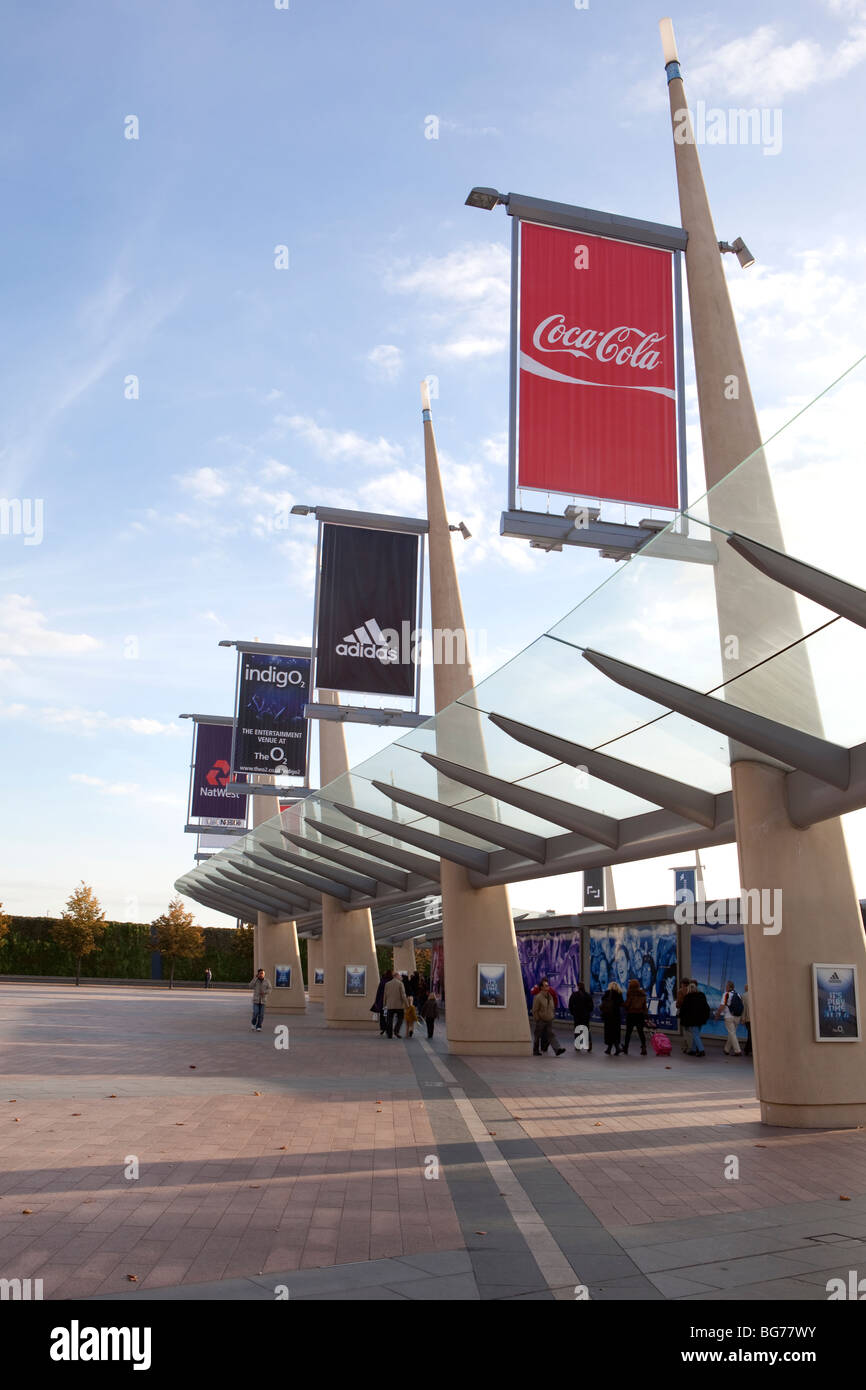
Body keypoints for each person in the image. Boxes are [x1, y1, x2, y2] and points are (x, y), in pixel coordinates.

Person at [532, 979, 565, 1056]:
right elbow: (535, 1009)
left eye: (548, 985)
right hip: (541, 1020)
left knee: (551, 1034)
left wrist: (552, 1015)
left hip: (549, 1019)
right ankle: (535, 1050)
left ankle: (557, 1049)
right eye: (546, 985)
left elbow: (552, 1007)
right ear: (541, 987)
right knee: (537, 1035)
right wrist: (537, 1019)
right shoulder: (538, 997)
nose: (548, 987)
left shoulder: (550, 996)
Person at [679, 981, 710, 1055]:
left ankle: (701, 1050)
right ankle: (693, 1050)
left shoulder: (688, 997)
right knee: (696, 1034)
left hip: (692, 1020)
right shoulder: (702, 995)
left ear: (689, 989)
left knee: (695, 1035)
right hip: (701, 1019)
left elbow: (684, 1009)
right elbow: (706, 1007)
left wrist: (681, 1016)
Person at [716, 980, 743, 1055]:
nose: (725, 987)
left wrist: (717, 1015)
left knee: (732, 1033)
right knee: (732, 1033)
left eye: (726, 986)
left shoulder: (726, 994)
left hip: (729, 1016)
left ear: (728, 987)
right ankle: (726, 1049)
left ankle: (737, 1050)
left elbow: (722, 1006)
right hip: (737, 1016)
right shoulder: (738, 994)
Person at [623, 978, 648, 1055]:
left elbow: (627, 1005)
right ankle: (643, 1048)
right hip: (640, 1015)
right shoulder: (643, 994)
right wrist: (646, 1015)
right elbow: (644, 1006)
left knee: (628, 1033)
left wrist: (623, 1005)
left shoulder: (630, 993)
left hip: (631, 1015)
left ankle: (626, 1048)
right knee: (641, 1032)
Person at [568, 981, 594, 1052]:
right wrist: (587, 1012)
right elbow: (591, 1007)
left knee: (577, 1029)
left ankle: (578, 1045)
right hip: (585, 1016)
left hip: (577, 1015)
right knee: (586, 1029)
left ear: (578, 987)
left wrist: (573, 1013)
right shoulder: (588, 995)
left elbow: (570, 1005)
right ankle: (589, 1043)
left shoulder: (574, 995)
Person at [383, 970, 408, 1038]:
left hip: (390, 1005)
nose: (400, 977)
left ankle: (389, 1034)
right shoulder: (400, 984)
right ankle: (396, 1030)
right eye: (399, 976)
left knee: (389, 1020)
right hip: (399, 1005)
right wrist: (407, 1004)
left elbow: (385, 995)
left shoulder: (387, 984)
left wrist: (384, 1003)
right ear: (396, 976)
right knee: (400, 1018)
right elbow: (403, 995)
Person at [601, 981, 623, 1056]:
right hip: (616, 1016)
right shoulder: (619, 994)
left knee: (609, 1032)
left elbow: (602, 1000)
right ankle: (611, 1049)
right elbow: (621, 1003)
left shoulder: (607, 993)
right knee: (615, 1032)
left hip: (608, 1016)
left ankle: (615, 1048)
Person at [371, 969, 392, 1035]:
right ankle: (389, 1027)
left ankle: (383, 1027)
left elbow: (379, 992)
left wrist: (376, 1001)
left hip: (382, 1000)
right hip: (390, 1000)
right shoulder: (391, 981)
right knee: (390, 1015)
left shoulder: (382, 981)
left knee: (382, 1015)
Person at [675, 977, 691, 1052]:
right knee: (689, 1030)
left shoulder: (680, 991)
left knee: (685, 1031)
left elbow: (679, 1003)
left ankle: (687, 1046)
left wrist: (677, 1005)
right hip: (691, 1013)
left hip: (684, 1013)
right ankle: (687, 1045)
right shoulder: (691, 991)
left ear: (682, 984)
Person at [742, 984, 752, 1056]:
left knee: (750, 1034)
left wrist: (743, 1018)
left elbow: (744, 1008)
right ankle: (748, 1049)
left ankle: (747, 1049)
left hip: (748, 1018)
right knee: (751, 1034)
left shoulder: (744, 996)